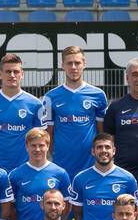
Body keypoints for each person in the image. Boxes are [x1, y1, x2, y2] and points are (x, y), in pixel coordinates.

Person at [40, 45, 108, 180]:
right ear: (62, 65)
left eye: (77, 63)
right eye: (69, 63)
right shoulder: (51, 97)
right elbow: (49, 133)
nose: (73, 67)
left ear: (84, 64)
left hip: (90, 164)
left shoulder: (98, 95)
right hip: (61, 164)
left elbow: (101, 133)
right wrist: (55, 155)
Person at [0, 53, 43, 173]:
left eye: (16, 71)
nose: (12, 75)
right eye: (8, 71)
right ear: (0, 74)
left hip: (25, 169)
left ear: (22, 74)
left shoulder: (35, 104)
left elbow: (42, 140)